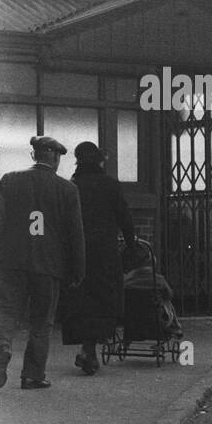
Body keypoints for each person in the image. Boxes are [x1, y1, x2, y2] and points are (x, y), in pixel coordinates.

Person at [0, 136, 85, 389]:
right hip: (48, 265)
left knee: (5, 312)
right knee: (42, 321)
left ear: (34, 155)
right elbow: (75, 233)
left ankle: (0, 348)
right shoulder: (67, 189)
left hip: (10, 261)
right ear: (56, 158)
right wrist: (78, 270)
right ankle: (32, 375)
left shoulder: (10, 180)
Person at [62, 142, 137, 374]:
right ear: (99, 161)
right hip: (105, 252)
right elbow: (124, 216)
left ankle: (87, 349)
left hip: (77, 252)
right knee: (102, 299)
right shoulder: (111, 185)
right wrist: (131, 243)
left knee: (80, 300)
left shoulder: (71, 186)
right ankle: (90, 348)